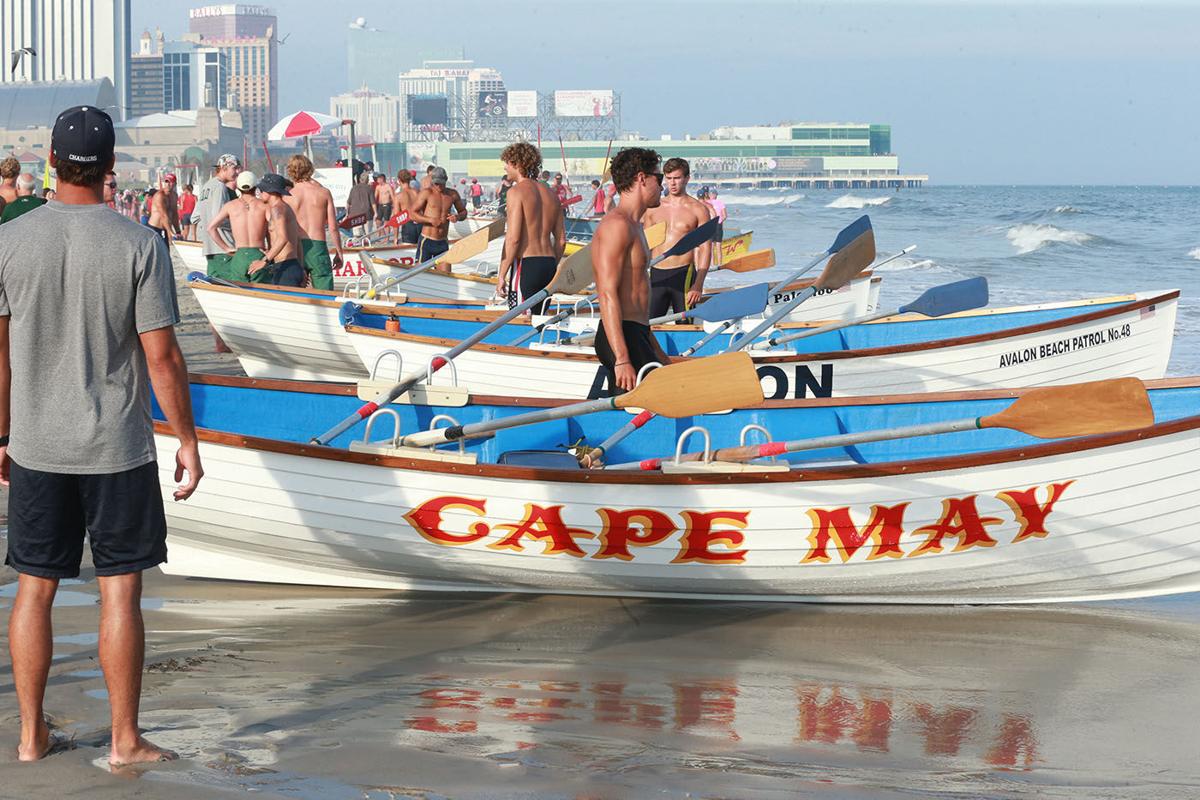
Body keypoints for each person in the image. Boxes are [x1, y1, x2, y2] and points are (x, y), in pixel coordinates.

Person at [0, 103, 202, 766]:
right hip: (116, 445)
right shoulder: (139, 244)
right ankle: (123, 740)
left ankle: (31, 738)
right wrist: (187, 440)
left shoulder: (9, 241)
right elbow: (162, 357)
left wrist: (1, 436)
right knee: (120, 589)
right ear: (111, 164)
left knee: (35, 586)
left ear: (51, 163)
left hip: (36, 443)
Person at [591, 147, 670, 392]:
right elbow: (607, 293)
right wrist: (622, 358)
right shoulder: (616, 226)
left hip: (637, 332)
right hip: (621, 337)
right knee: (649, 405)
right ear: (641, 178)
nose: (663, 187)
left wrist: (656, 350)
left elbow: (636, 297)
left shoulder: (635, 226)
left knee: (658, 398)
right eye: (659, 178)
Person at [642, 157, 713, 317]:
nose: (672, 183)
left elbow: (705, 249)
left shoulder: (698, 209)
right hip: (656, 273)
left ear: (687, 178)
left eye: (677, 178)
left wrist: (698, 284)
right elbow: (645, 244)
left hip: (684, 274)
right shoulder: (653, 208)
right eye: (669, 178)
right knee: (649, 325)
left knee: (684, 325)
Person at [497, 142, 560, 311]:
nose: (505, 167)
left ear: (517, 164)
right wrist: (553, 266)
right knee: (540, 318)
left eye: (507, 163)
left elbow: (513, 239)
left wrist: (501, 275)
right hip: (549, 264)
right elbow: (561, 241)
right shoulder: (552, 195)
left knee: (520, 318)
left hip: (526, 264)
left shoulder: (515, 192)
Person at [284, 154, 342, 290]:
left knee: (296, 292)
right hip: (318, 247)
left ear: (290, 171)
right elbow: (333, 227)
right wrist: (339, 252)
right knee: (325, 293)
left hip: (297, 247)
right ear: (310, 169)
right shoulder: (324, 193)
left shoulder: (287, 197)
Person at [206, 170, 269, 282]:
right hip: (258, 253)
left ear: (238, 188)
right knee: (261, 289)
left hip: (239, 255)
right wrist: (270, 250)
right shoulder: (264, 205)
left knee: (239, 290)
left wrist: (226, 248)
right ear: (256, 187)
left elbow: (211, 228)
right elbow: (274, 229)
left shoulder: (230, 206)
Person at [250, 173, 306, 286]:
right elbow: (297, 240)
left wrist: (264, 261)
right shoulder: (285, 207)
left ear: (270, 191)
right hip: (292, 265)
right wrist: (301, 268)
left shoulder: (277, 209)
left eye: (262, 190)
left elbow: (282, 238)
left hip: (285, 268)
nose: (259, 193)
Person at [409, 166, 467, 273]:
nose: (438, 186)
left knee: (446, 275)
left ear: (446, 180)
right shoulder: (427, 193)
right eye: (436, 183)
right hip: (427, 241)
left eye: (441, 183)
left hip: (442, 242)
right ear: (432, 181)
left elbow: (463, 212)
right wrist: (430, 220)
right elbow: (412, 214)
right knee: (420, 275)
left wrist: (457, 217)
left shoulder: (452, 194)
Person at [394, 169, 421, 245]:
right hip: (420, 223)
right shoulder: (417, 192)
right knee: (420, 249)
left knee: (409, 249)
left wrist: (395, 237)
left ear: (399, 180)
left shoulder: (398, 196)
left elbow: (396, 218)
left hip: (408, 225)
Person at [345, 170, 374, 238]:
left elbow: (348, 203)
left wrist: (347, 214)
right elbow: (373, 203)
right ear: (367, 180)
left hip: (355, 214)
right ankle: (367, 242)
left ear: (360, 179)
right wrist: (376, 213)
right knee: (367, 235)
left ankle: (359, 243)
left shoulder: (353, 188)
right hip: (367, 214)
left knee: (357, 235)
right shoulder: (369, 188)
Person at [704, 187, 728, 266]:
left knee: (712, 246)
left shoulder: (707, 202)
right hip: (718, 225)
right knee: (718, 246)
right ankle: (719, 264)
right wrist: (720, 221)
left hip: (711, 224)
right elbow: (725, 216)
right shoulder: (720, 203)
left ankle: (712, 265)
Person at [146, 176, 174, 243]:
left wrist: (178, 231)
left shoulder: (174, 196)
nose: (168, 184)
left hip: (165, 228)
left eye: (170, 182)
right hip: (154, 227)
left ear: (174, 183)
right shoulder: (160, 196)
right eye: (166, 182)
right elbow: (163, 215)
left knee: (165, 248)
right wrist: (170, 232)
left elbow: (175, 214)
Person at [373, 173, 394, 239]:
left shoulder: (388, 186)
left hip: (387, 205)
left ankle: (387, 238)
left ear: (382, 179)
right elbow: (374, 197)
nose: (377, 180)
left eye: (378, 179)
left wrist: (394, 206)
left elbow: (393, 197)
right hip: (380, 206)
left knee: (386, 222)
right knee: (378, 221)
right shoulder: (378, 187)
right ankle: (383, 235)